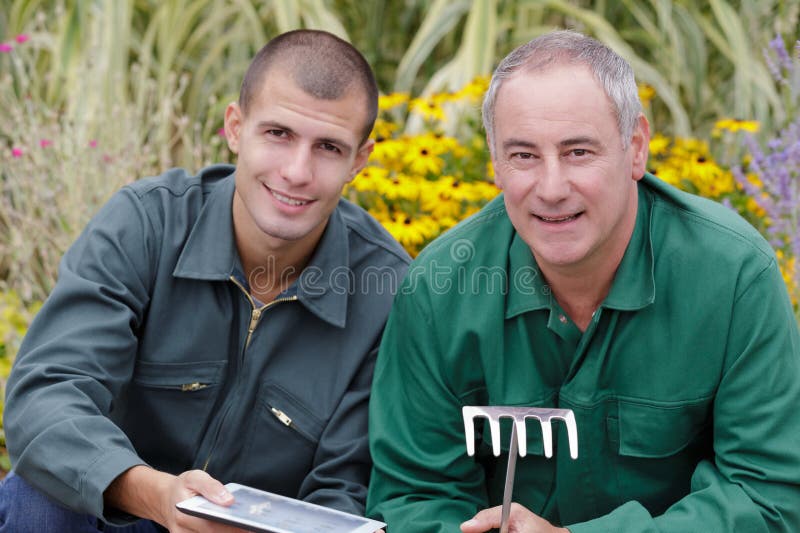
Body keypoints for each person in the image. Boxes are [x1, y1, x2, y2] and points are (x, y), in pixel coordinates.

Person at [366, 29, 800, 532]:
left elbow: (769, 497)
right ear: (495, 163)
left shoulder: (734, 278)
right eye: (524, 155)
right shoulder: (437, 292)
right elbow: (413, 496)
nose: (551, 189)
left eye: (578, 152)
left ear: (635, 147)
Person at [1, 29, 409, 532]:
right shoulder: (146, 225)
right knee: (39, 496)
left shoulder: (387, 292)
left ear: (359, 161)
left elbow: (345, 489)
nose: (297, 171)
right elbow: (49, 395)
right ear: (235, 128)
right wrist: (154, 495)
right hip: (120, 512)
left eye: (328, 147)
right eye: (278, 134)